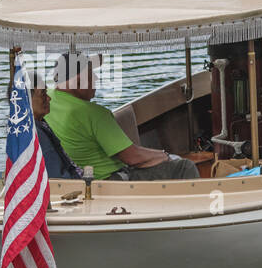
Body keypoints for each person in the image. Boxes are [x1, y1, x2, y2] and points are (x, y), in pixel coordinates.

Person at [46, 52, 198, 181]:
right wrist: (164, 155)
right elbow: (132, 158)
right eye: (91, 74)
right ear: (79, 81)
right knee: (184, 166)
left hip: (77, 180)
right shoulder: (94, 114)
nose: (96, 79)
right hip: (109, 181)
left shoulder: (45, 101)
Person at [24, 68, 82, 180]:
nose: (49, 98)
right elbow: (58, 178)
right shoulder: (34, 133)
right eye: (43, 94)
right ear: (27, 100)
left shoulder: (39, 124)